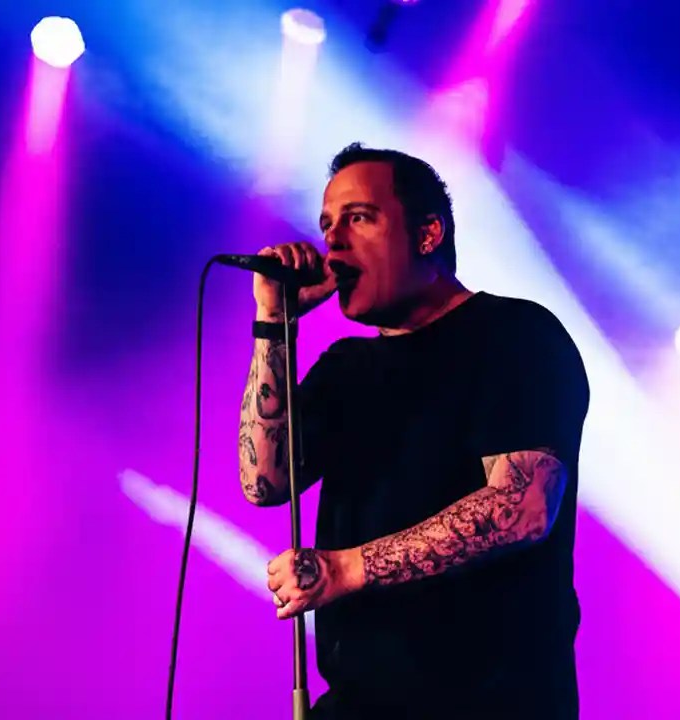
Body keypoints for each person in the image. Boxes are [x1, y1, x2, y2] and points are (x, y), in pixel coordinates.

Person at [237, 143, 589, 719]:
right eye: (327, 225)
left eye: (358, 218)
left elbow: (521, 507)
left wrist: (344, 568)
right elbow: (264, 481)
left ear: (428, 234)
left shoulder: (515, 334)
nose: (334, 242)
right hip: (357, 705)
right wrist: (272, 324)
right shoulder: (347, 366)